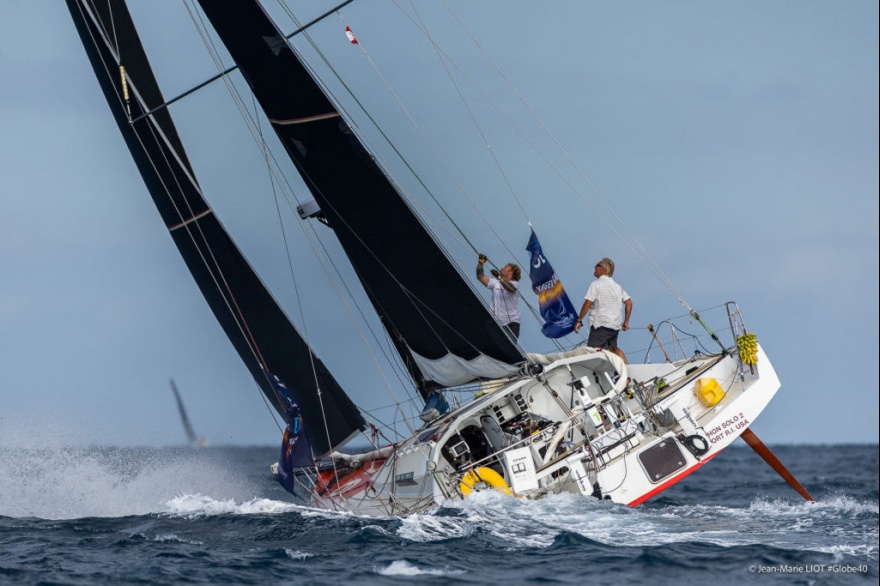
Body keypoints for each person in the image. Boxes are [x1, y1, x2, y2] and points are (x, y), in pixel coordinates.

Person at [573, 257, 632, 363]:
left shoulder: (596, 284)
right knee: (613, 348)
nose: (594, 267)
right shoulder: (617, 287)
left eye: (597, 265)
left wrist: (579, 320)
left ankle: (596, 371)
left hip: (601, 325)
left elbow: (588, 303)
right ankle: (628, 370)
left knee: (593, 353)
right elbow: (629, 303)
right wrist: (626, 322)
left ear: (604, 270)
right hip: (615, 326)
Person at [476, 254, 522, 339]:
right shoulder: (495, 282)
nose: (501, 268)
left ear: (511, 272)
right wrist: (480, 263)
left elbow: (510, 288)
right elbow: (480, 277)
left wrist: (499, 278)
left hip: (511, 324)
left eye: (505, 268)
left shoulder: (515, 284)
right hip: (496, 323)